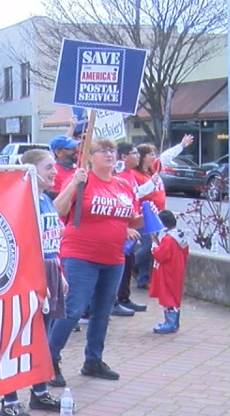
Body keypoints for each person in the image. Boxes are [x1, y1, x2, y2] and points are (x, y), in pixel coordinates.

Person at [45, 138, 143, 387]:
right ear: (89, 156)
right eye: (103, 151)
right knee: (73, 309)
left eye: (112, 150)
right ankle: (49, 360)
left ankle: (93, 360)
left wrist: (145, 220)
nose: (109, 155)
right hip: (81, 255)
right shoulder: (82, 180)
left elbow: (130, 219)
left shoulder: (122, 184)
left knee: (102, 311)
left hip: (114, 257)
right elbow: (58, 209)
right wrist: (73, 185)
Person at [0, 149, 65, 416]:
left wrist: (58, 274)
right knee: (19, 340)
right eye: (48, 167)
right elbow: (21, 245)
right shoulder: (20, 202)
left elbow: (52, 242)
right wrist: (35, 280)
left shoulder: (46, 201)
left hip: (48, 270)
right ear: (30, 170)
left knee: (42, 339)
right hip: (29, 275)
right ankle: (9, 402)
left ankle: (39, 391)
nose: (54, 172)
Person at [132, 135, 194, 289]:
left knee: (154, 246)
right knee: (148, 247)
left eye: (154, 154)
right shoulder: (135, 175)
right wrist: (150, 183)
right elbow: (136, 193)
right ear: (142, 158)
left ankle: (142, 278)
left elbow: (166, 156)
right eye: (150, 154)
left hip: (157, 214)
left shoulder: (153, 169)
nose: (154, 157)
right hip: (144, 215)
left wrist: (181, 145)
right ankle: (132, 265)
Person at [110, 142, 144, 317]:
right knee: (119, 265)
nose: (138, 156)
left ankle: (123, 297)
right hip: (121, 229)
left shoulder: (131, 175)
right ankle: (114, 300)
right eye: (134, 153)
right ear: (123, 157)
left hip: (131, 226)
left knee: (128, 263)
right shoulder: (120, 177)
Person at [149, 210, 190, 334]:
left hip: (167, 271)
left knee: (167, 296)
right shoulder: (180, 236)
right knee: (174, 294)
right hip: (177, 269)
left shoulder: (168, 239)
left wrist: (154, 244)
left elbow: (160, 255)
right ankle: (173, 322)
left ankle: (170, 322)